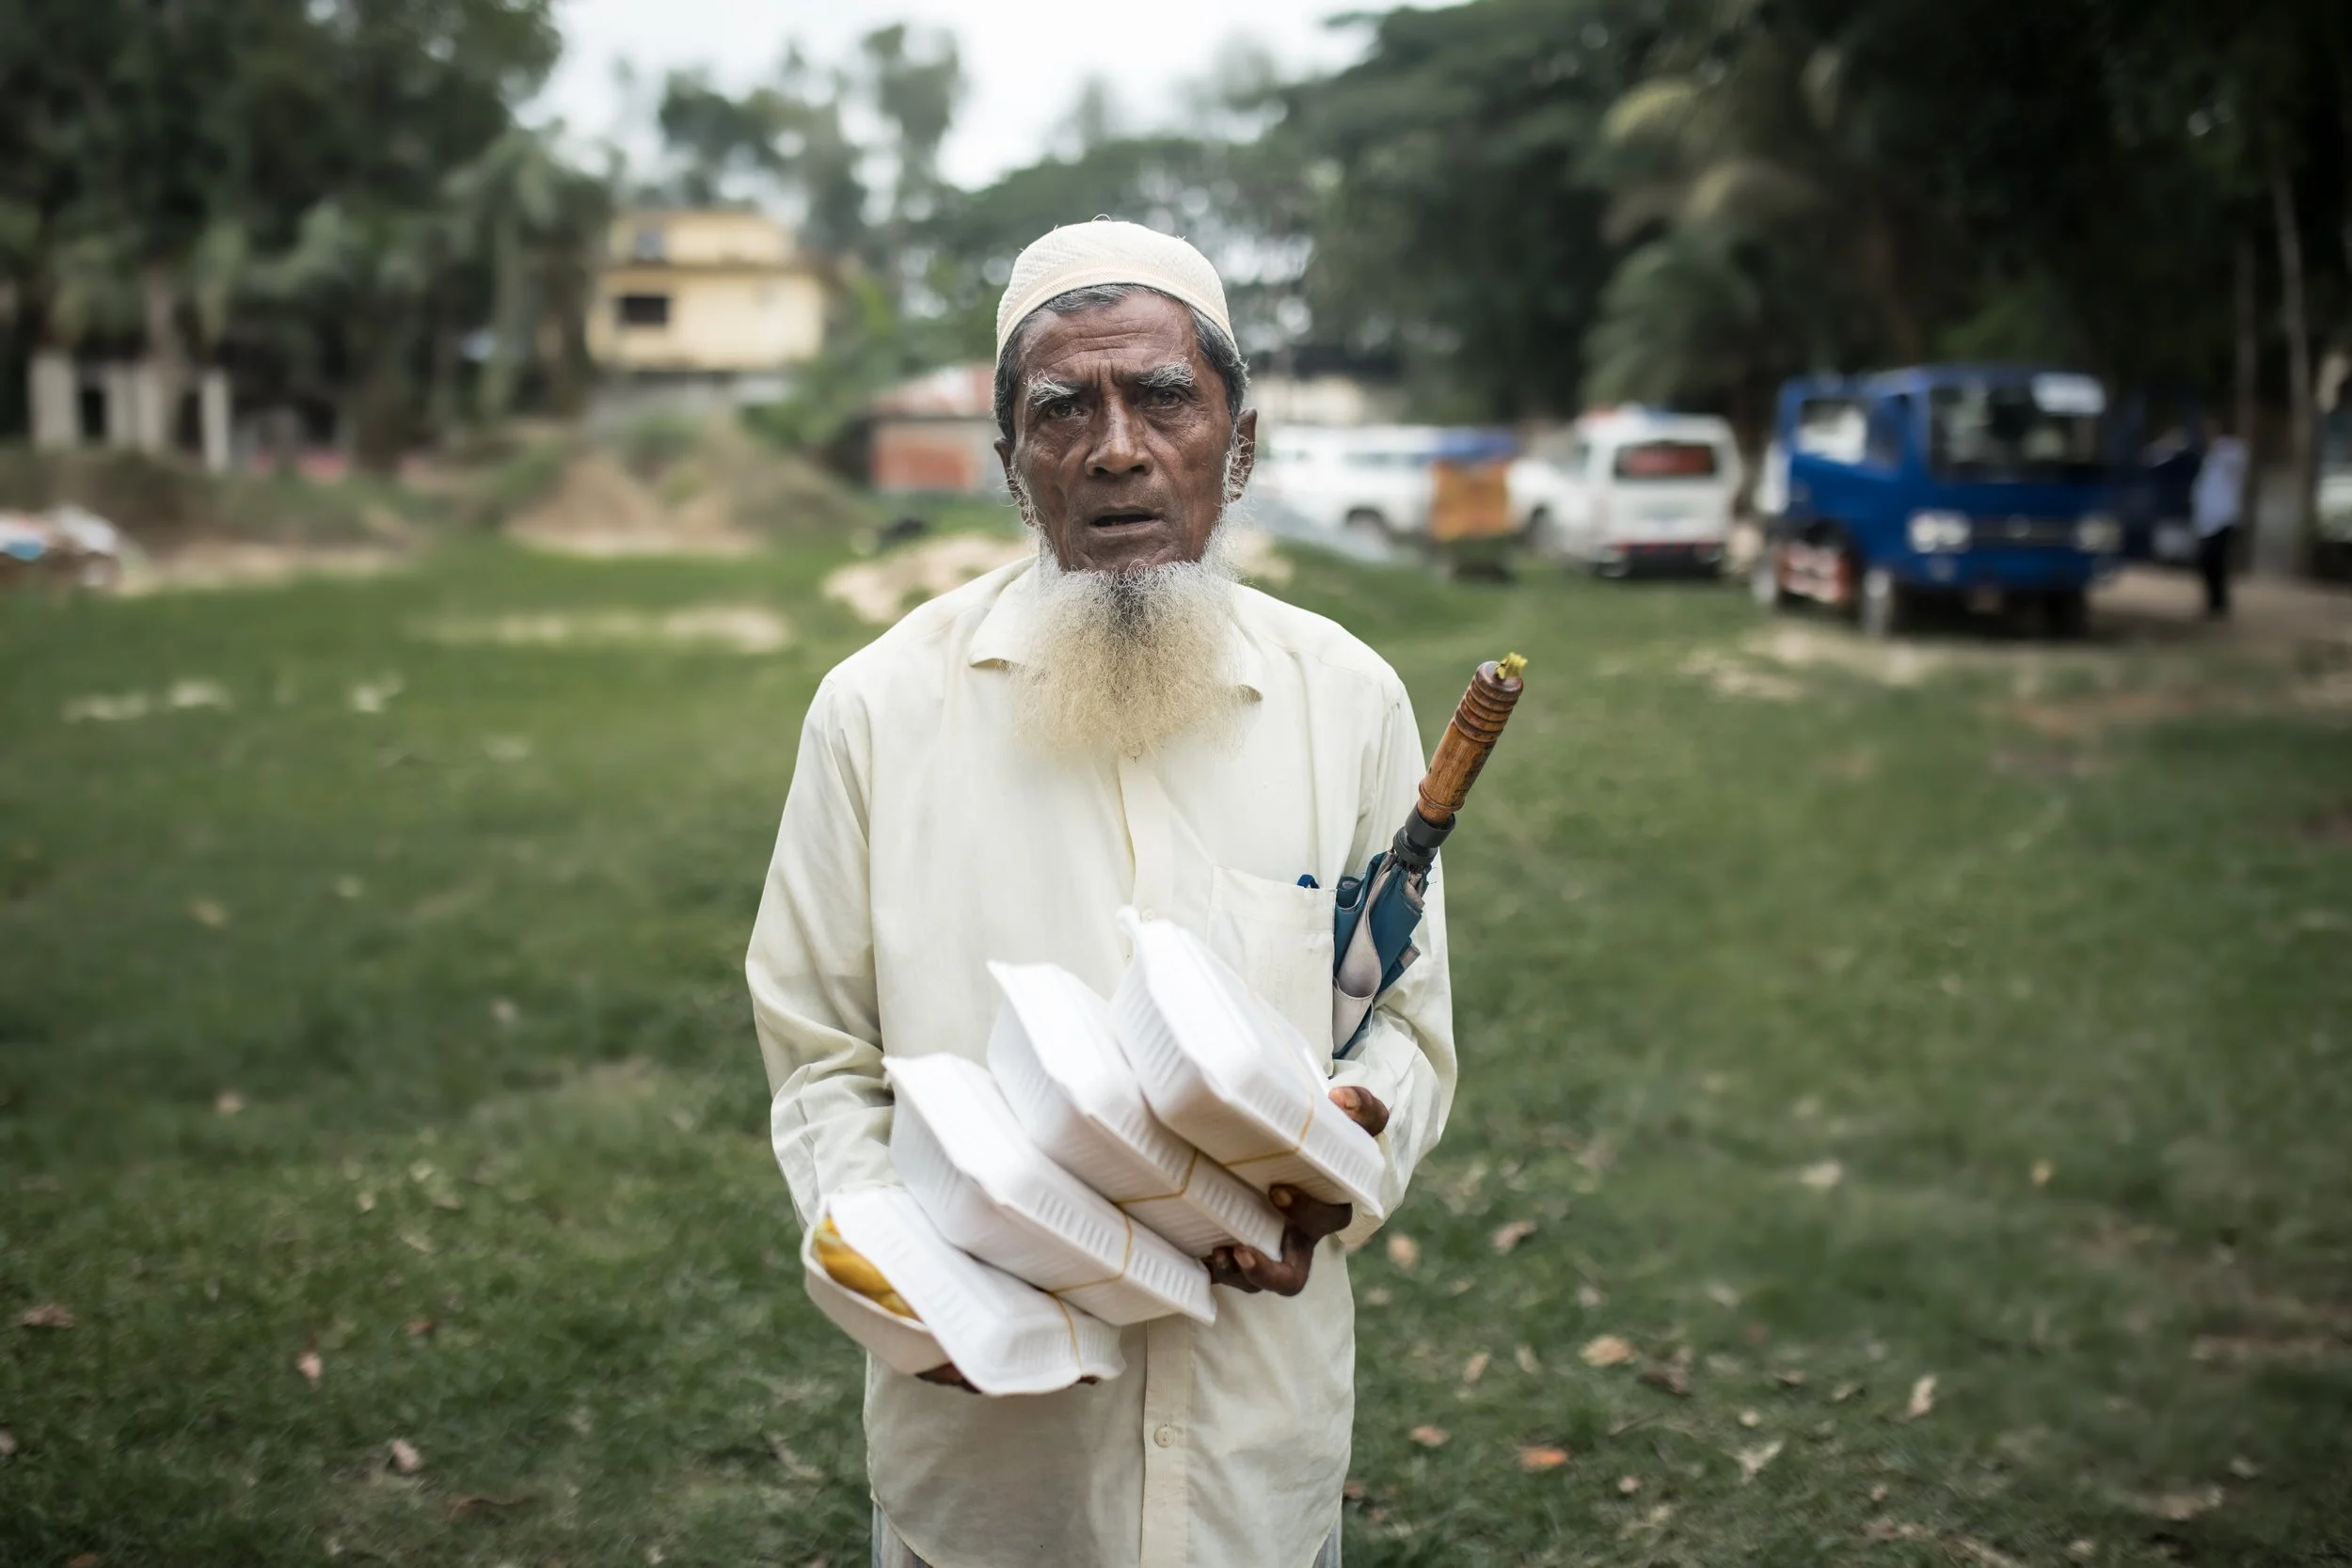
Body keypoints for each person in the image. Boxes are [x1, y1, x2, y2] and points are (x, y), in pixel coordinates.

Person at [745, 219, 1456, 1568]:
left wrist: (1345, 1161)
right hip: (992, 1461)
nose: (1117, 448)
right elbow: (822, 1062)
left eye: (1165, 397)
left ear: (1238, 444)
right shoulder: (878, 712)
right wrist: (908, 1271)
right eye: (1062, 409)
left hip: (1253, 1459)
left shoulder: (1347, 697)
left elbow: (1404, 1026)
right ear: (1012, 466)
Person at [2191, 419, 2249, 619]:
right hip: (2208, 519)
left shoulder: (2231, 451)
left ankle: (2219, 604)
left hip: (2223, 517)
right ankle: (2214, 603)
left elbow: (2236, 463)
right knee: (2208, 562)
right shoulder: (2211, 457)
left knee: (2214, 561)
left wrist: (2218, 445)